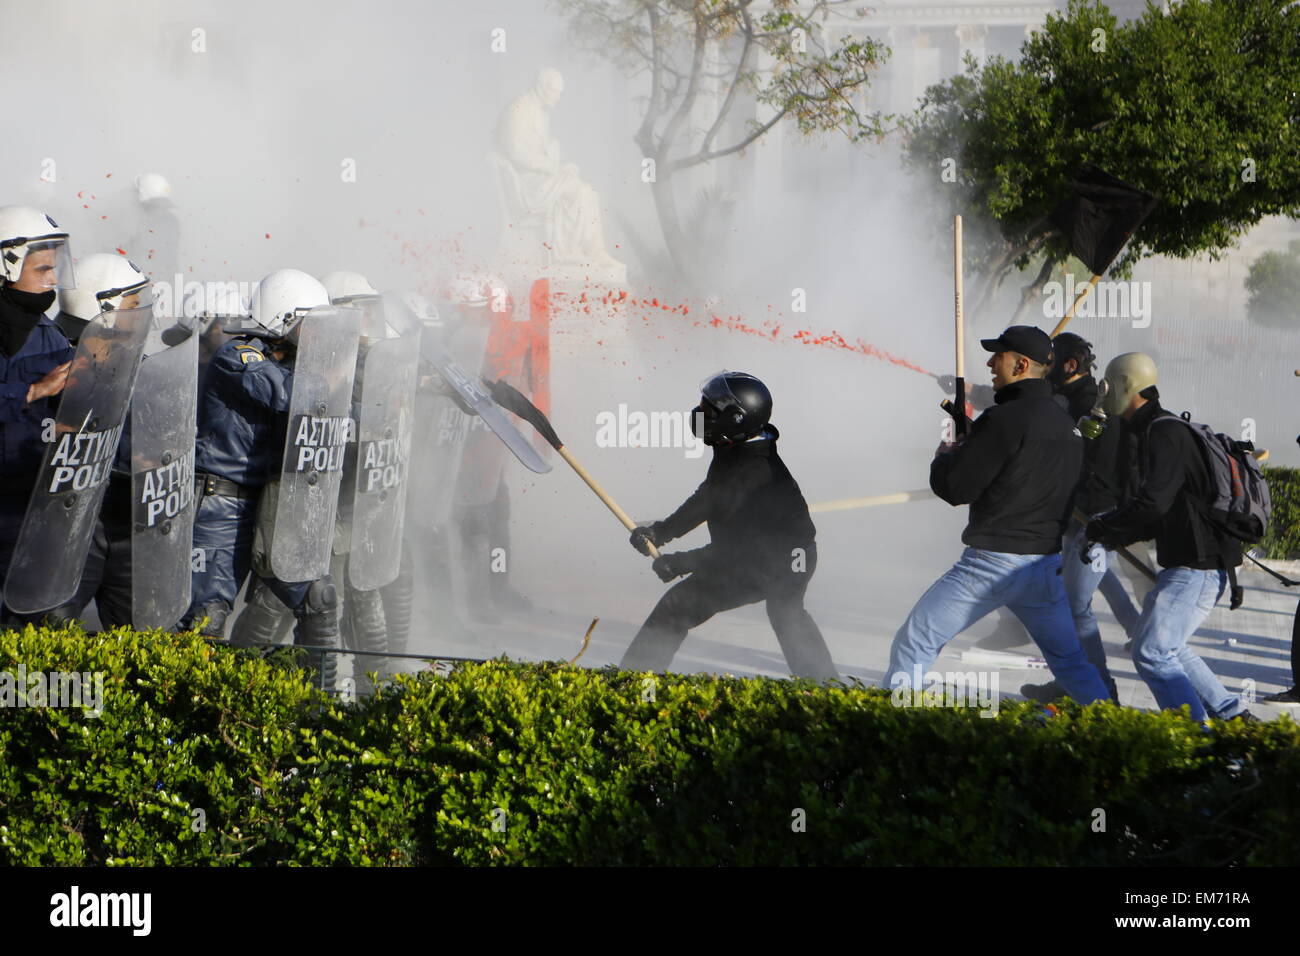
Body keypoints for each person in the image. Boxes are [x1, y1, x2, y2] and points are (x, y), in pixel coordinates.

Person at [883, 326, 1111, 705]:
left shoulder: (1005, 418)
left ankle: (892, 727)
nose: (990, 363)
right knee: (1071, 662)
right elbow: (1023, 471)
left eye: (998, 356)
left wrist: (947, 452)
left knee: (916, 639)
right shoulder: (1066, 425)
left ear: (1021, 364)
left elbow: (956, 489)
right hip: (1043, 565)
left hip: (992, 565)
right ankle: (1110, 729)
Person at [180, 269, 345, 691]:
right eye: (311, 323)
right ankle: (190, 728)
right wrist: (334, 375)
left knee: (319, 602)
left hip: (277, 503)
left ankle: (317, 721)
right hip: (223, 503)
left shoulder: (296, 362)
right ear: (284, 318)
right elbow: (289, 395)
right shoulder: (238, 356)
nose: (318, 335)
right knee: (206, 621)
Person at [621, 371, 838, 680]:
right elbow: (709, 497)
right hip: (797, 556)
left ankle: (631, 689)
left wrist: (681, 562)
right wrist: (661, 532)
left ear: (734, 418)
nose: (698, 414)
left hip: (770, 562)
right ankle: (827, 690)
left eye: (708, 409)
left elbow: (738, 553)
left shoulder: (751, 470)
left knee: (676, 606)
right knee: (788, 615)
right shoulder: (739, 447)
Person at [1084, 353, 1255, 723]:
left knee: (1151, 652)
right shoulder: (1157, 428)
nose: (1104, 392)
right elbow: (1163, 508)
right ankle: (1232, 715)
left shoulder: (1163, 432)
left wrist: (1105, 528)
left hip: (1197, 566)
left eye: (1109, 385)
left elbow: (1152, 503)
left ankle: (1195, 740)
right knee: (1165, 647)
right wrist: (1113, 532)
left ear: (1127, 386)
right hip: (1195, 563)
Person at [1021, 332, 1138, 702]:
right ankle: (1075, 679)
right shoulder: (1071, 398)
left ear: (1070, 366)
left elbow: (1092, 464)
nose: (1045, 370)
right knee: (1088, 590)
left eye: (1051, 363)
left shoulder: (1090, 403)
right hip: (1080, 517)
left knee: (1074, 606)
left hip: (1094, 517)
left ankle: (1101, 690)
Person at [43, 254, 152, 628]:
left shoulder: (135, 363)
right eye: (133, 306)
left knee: (141, 648)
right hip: (64, 522)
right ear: (103, 307)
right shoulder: (51, 358)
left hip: (124, 520)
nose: (141, 315)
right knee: (49, 639)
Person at [0, 206, 75, 595]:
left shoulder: (52, 336)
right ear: (8, 265)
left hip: (25, 505)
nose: (55, 278)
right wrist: (31, 391)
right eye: (43, 269)